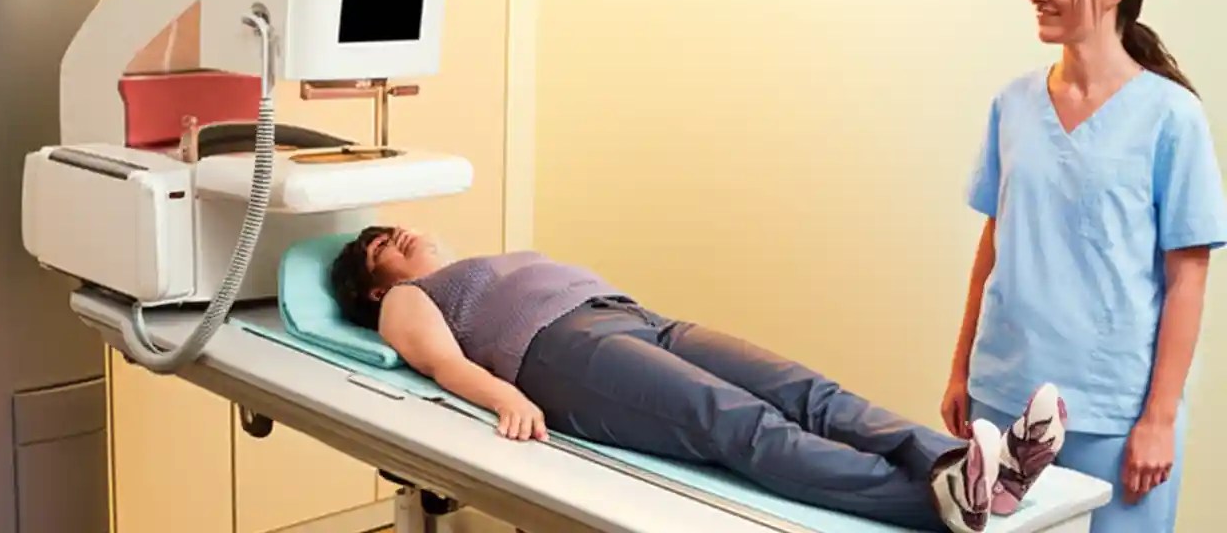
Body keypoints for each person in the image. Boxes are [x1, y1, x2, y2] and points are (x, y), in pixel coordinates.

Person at [330, 226, 1068, 533]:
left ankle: (974, 468)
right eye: (377, 246)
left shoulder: (484, 260)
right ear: (374, 288)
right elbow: (445, 364)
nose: (393, 235)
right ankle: (934, 503)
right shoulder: (406, 300)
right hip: (560, 354)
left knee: (806, 391)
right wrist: (507, 398)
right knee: (738, 423)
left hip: (636, 318)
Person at [945, 0, 1227, 532]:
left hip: (1113, 409)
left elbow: (1188, 279)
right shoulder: (1013, 104)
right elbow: (994, 244)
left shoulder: (1171, 116)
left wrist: (1159, 419)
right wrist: (962, 368)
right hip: (1004, 388)